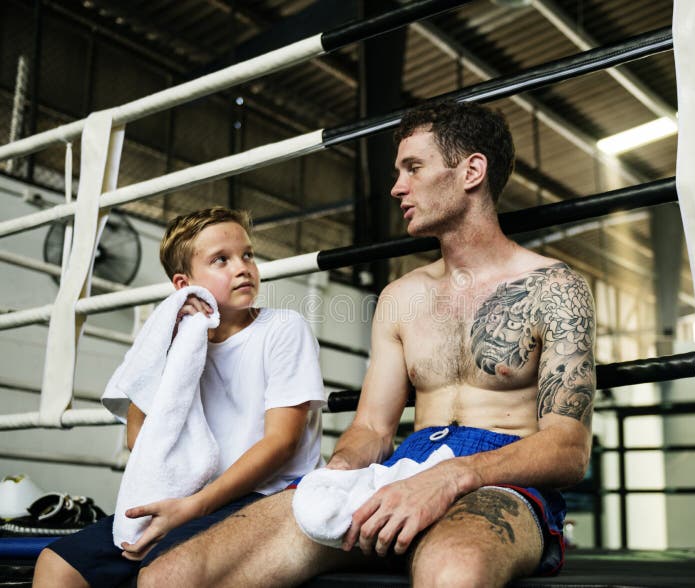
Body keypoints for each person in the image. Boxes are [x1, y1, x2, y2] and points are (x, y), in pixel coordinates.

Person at [141, 101, 596, 587]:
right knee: (171, 575)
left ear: (472, 171)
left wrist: (452, 476)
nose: (397, 187)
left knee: (454, 570)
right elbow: (375, 428)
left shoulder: (556, 290)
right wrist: (338, 475)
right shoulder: (401, 297)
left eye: (413, 168)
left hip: (504, 476)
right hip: (403, 467)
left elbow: (568, 450)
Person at [33, 207, 326, 587]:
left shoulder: (282, 328)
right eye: (221, 259)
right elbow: (142, 440)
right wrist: (168, 346)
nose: (242, 267)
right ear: (184, 284)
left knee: (163, 573)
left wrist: (194, 507)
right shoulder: (180, 345)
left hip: (265, 496)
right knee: (56, 564)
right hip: (194, 499)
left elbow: (281, 443)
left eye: (248, 255)